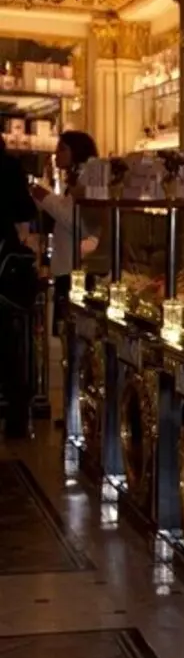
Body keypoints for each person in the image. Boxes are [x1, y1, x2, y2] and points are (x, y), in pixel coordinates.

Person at [29, 130, 98, 320]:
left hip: (74, 271)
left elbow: (77, 220)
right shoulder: (77, 180)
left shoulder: (86, 180)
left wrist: (46, 198)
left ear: (76, 151)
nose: (56, 153)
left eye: (62, 149)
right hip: (67, 267)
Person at [0, 139, 37, 437]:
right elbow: (25, 211)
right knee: (8, 343)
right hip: (2, 262)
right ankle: (15, 413)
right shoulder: (10, 167)